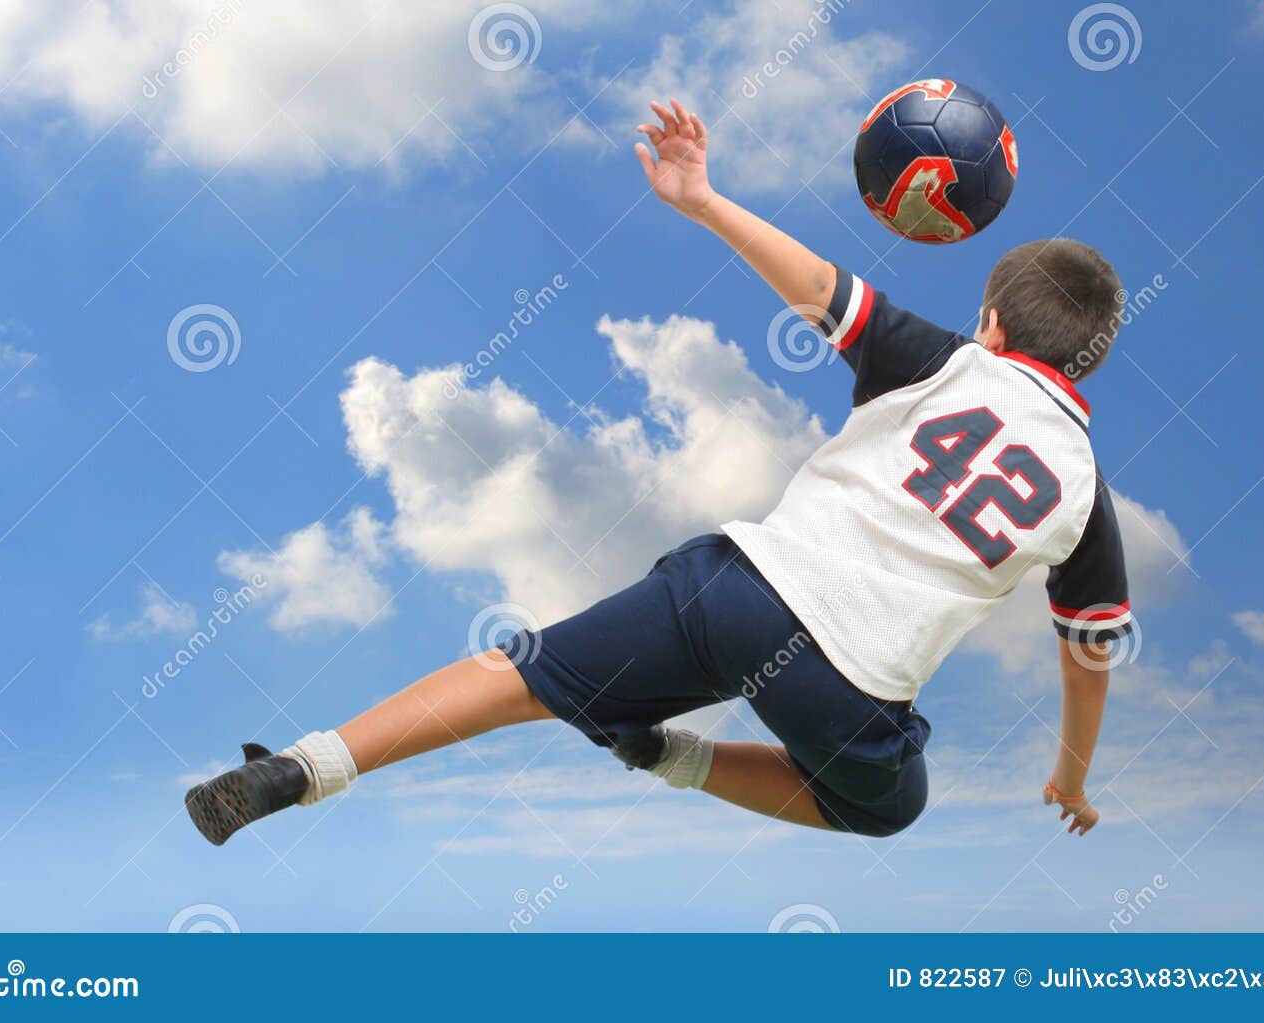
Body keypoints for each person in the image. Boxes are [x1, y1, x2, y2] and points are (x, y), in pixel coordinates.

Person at [186, 99, 1131, 846]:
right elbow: (1088, 653)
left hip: (733, 586)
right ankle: (673, 757)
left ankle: (308, 766)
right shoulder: (1085, 495)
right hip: (843, 683)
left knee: (516, 675)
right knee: (887, 805)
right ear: (1081, 365)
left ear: (993, 326)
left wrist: (700, 197)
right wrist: (1072, 775)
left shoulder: (944, 361)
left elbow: (814, 284)